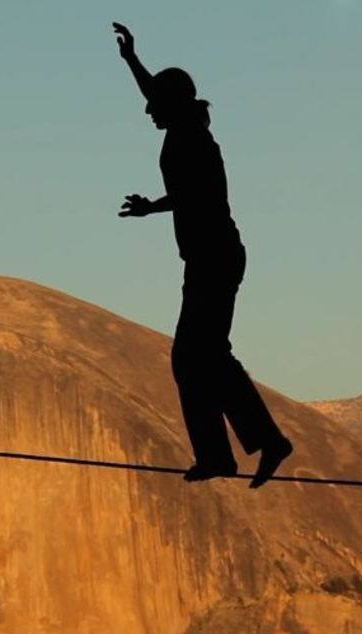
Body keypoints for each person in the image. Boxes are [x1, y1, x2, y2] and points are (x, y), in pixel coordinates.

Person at [112, 22, 293, 488]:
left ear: (171, 105)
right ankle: (245, 446)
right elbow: (160, 93)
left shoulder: (191, 138)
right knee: (205, 357)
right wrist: (132, 58)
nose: (148, 110)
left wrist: (155, 206)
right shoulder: (185, 129)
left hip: (214, 257)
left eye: (155, 105)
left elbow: (199, 193)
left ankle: (237, 449)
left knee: (194, 357)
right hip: (210, 257)